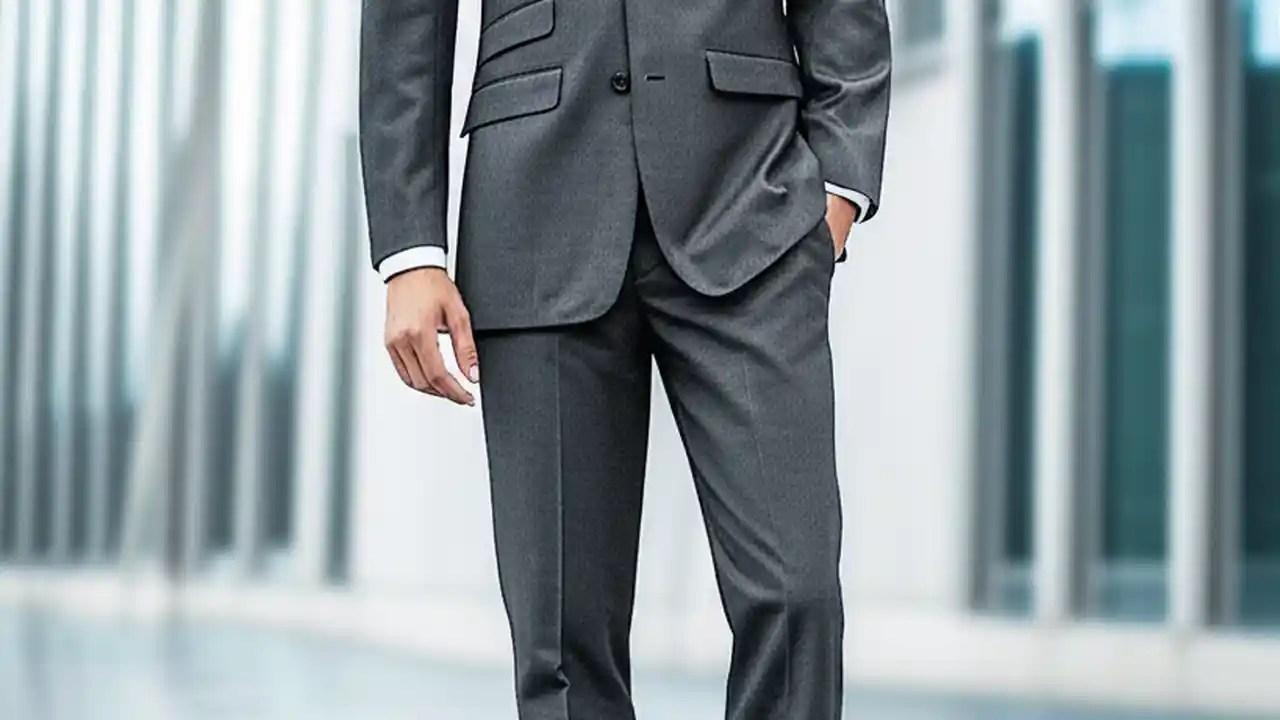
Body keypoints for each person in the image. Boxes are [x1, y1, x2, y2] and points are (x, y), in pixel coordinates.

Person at [358, 0, 890, 716]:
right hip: (535, 205)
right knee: (563, 644)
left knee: (798, 597)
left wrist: (838, 191)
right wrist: (411, 252)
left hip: (751, 201)